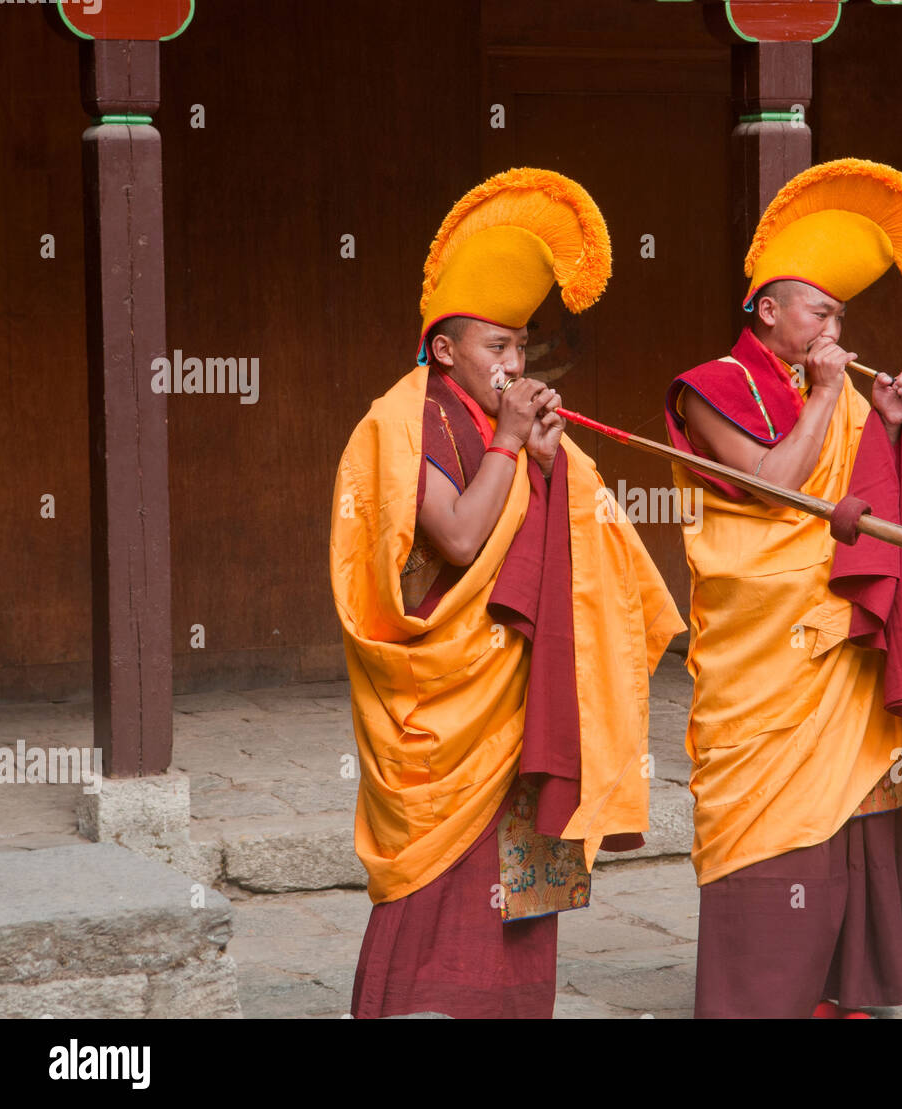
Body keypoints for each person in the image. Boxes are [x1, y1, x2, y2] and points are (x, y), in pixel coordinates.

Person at [331, 168, 684, 1018]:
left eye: (522, 348)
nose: (514, 365)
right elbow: (454, 535)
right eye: (497, 347)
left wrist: (553, 462)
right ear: (444, 348)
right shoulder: (399, 419)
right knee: (439, 883)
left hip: (523, 691)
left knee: (511, 881)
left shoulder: (504, 424)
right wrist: (513, 443)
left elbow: (590, 538)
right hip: (447, 695)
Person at [664, 158, 902, 1019]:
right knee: (771, 803)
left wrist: (890, 424)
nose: (836, 328)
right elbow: (773, 487)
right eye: (822, 310)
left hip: (839, 637)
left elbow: (866, 500)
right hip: (768, 645)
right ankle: (766, 992)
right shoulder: (709, 388)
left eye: (842, 315)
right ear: (767, 308)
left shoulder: (825, 391)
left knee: (855, 791)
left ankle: (844, 982)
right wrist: (834, 392)